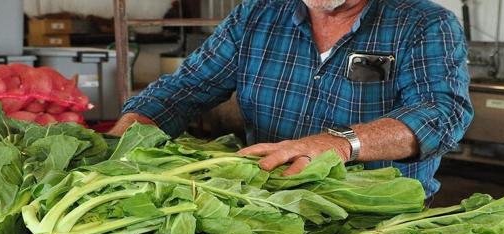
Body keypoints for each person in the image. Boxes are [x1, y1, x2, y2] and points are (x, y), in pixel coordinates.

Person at [110, 0, 472, 196]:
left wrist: (341, 145)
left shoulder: (423, 22)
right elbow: (185, 88)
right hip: (267, 204)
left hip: (374, 217)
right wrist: (127, 134)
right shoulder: (256, 14)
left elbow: (441, 114)